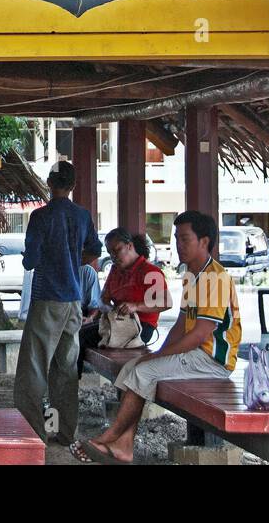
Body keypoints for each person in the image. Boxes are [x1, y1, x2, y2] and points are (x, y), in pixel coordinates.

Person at [82, 210, 240, 464]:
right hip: (196, 355)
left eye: (185, 239)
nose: (178, 245)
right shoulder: (193, 274)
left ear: (204, 242)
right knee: (135, 367)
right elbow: (180, 324)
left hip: (213, 360)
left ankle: (110, 435)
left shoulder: (215, 278)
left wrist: (159, 357)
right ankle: (124, 445)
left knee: (144, 370)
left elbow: (200, 334)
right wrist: (158, 354)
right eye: (176, 238)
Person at [13, 160, 102, 447]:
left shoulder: (41, 217)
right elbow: (94, 251)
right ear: (73, 185)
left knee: (34, 366)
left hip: (47, 297)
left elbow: (31, 260)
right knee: (65, 368)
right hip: (74, 300)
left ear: (50, 184)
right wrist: (73, 264)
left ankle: (33, 432)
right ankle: (66, 433)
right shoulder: (82, 215)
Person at [74, 228, 170, 381]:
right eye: (110, 252)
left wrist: (136, 306)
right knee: (76, 332)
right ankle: (75, 382)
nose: (113, 256)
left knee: (80, 337)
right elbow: (103, 299)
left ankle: (74, 384)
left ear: (129, 246)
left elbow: (166, 302)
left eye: (117, 250)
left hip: (140, 328)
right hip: (116, 323)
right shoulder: (115, 270)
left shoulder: (151, 271)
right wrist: (106, 313)